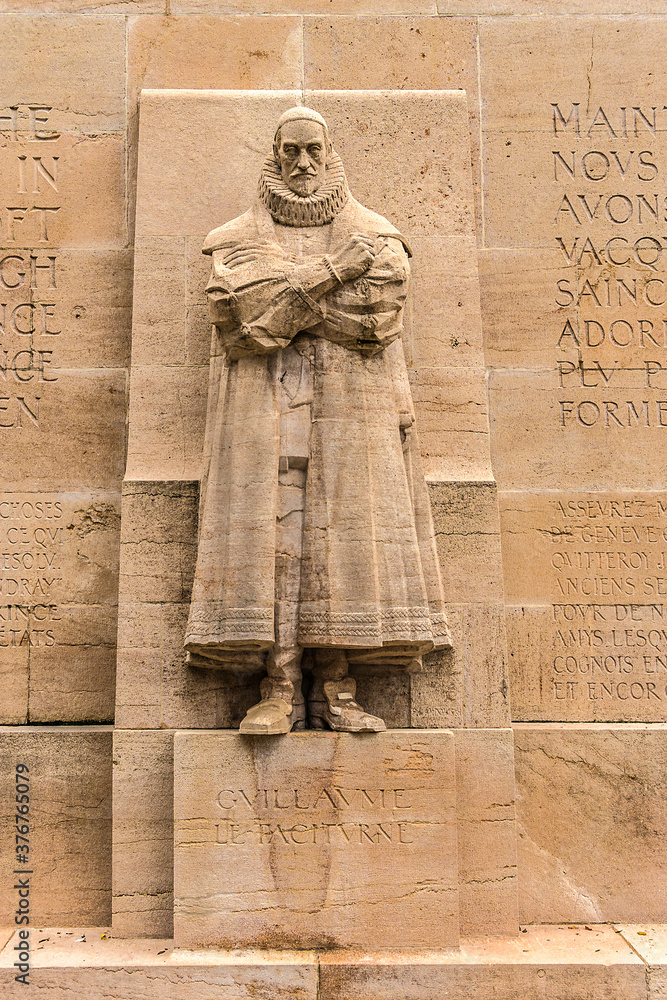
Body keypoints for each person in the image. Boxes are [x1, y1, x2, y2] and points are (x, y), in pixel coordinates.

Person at [184, 107, 451, 734]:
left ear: (329, 154)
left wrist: (283, 303)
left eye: (313, 151)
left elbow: (379, 316)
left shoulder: (376, 234)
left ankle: (336, 687)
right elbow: (238, 321)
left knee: (341, 534)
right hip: (263, 416)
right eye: (291, 151)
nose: (303, 164)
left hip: (349, 414)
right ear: (274, 155)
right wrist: (332, 272)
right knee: (276, 538)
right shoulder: (234, 238)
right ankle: (277, 687)